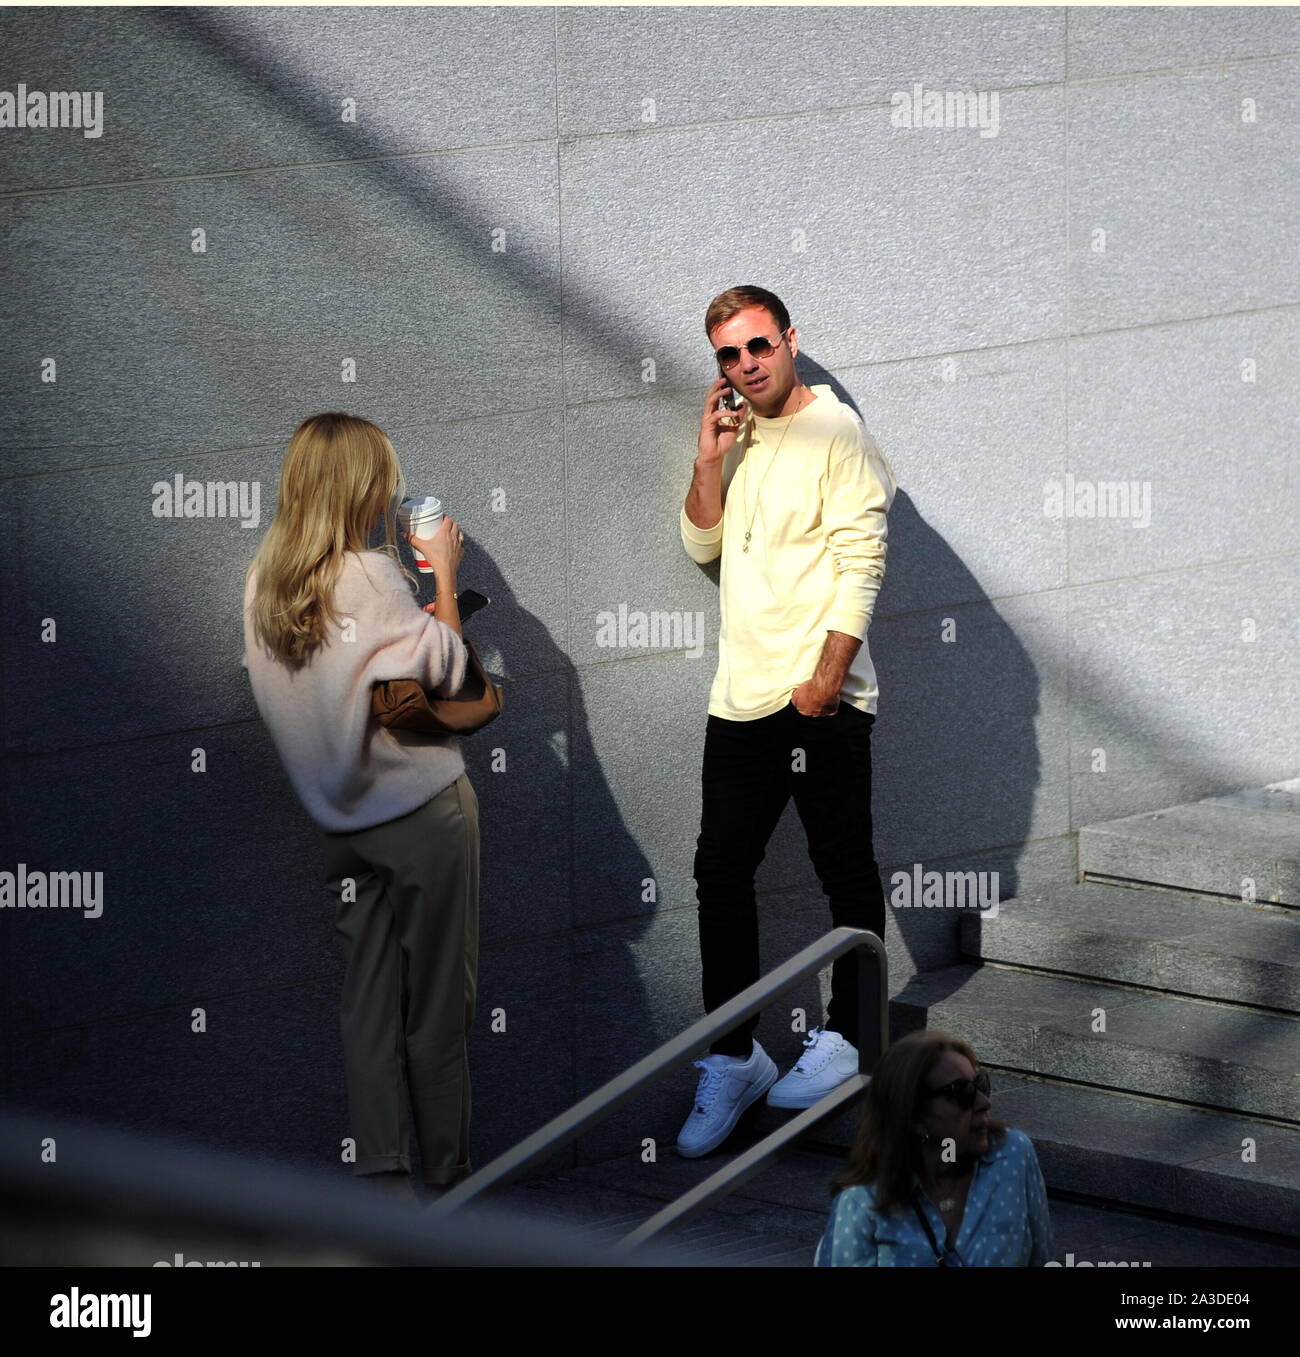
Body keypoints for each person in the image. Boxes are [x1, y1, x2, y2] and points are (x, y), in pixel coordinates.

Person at [676, 285, 897, 1157]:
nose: (747, 365)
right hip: (740, 699)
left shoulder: (835, 432)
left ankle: (847, 1037)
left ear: (791, 340)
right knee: (718, 872)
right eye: (729, 355)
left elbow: (864, 556)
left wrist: (827, 677)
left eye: (759, 345)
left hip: (820, 697)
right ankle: (734, 1057)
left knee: (844, 867)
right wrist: (707, 458)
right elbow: (702, 545)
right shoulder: (748, 436)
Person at [241, 411, 477, 1206]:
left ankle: (385, 1195)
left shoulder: (264, 582)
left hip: (341, 831)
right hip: (422, 815)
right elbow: (451, 673)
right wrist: (441, 577)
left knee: (367, 1009)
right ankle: (449, 1191)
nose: (390, 489)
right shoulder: (371, 576)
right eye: (382, 474)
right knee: (440, 1008)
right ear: (355, 485)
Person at [814, 1030, 1052, 1266]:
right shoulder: (860, 1202)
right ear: (914, 1117)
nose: (983, 1102)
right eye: (962, 1093)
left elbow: (1041, 1257)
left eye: (980, 1085)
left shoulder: (1011, 1155)